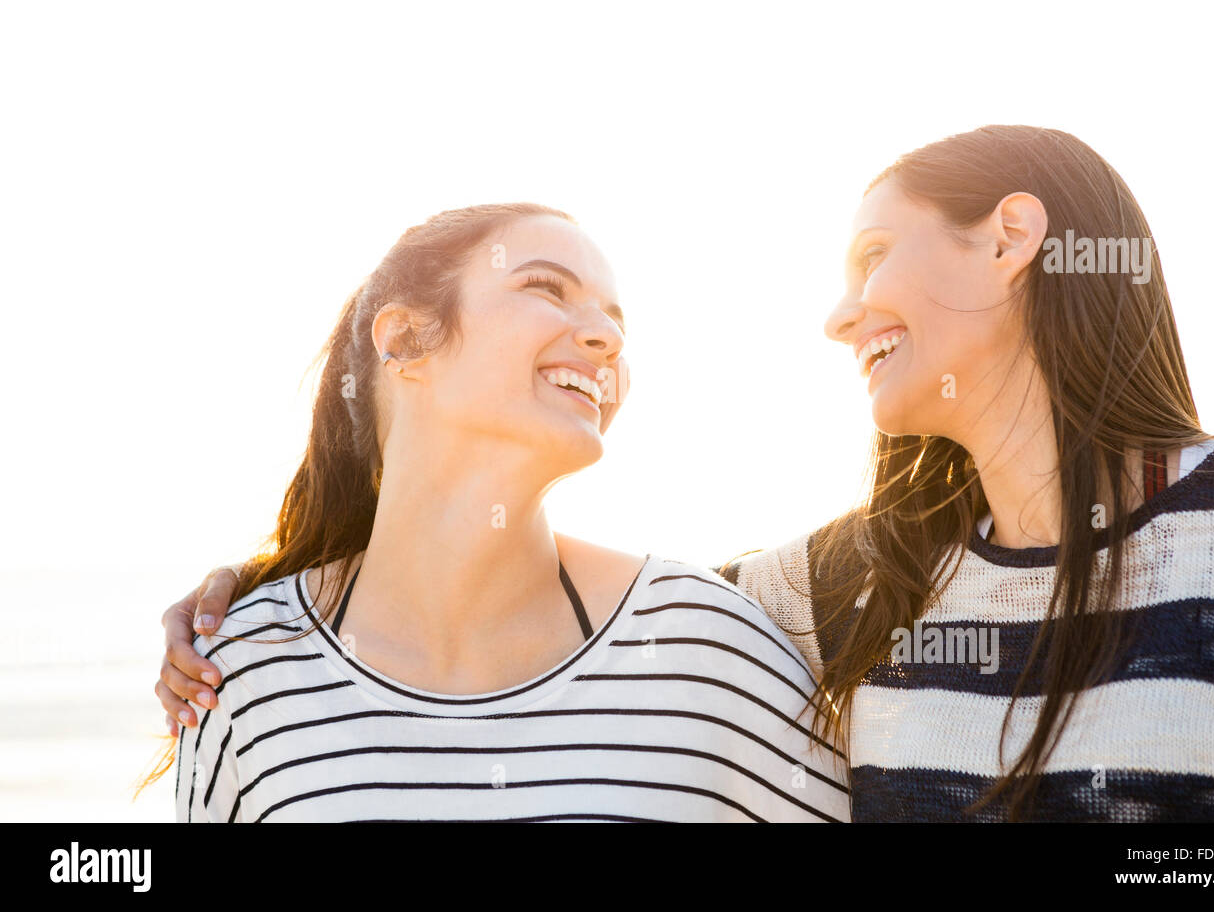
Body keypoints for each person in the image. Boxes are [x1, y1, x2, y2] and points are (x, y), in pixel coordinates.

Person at [155, 128, 1214, 822]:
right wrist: (262, 585)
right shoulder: (849, 582)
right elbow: (523, 609)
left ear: (1008, 241)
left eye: (870, 257)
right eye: (552, 294)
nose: (839, 312)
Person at [147, 202, 850, 822]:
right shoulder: (241, 667)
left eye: (614, 320)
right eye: (546, 288)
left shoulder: (704, 644)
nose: (606, 338)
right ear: (405, 341)